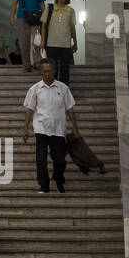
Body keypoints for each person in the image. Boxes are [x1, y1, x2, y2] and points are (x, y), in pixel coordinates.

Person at [23, 58, 80, 193]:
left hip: (58, 129)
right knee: (41, 159)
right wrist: (25, 129)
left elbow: (70, 109)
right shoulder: (35, 89)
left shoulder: (63, 88)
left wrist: (76, 129)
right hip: (41, 128)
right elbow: (29, 110)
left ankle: (58, 178)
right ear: (40, 72)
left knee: (60, 159)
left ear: (54, 71)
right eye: (44, 71)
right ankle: (44, 185)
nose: (46, 73)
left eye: (49, 71)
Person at [10, 0, 47, 73]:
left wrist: (46, 19)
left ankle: (37, 62)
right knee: (24, 41)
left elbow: (42, 5)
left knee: (36, 40)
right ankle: (26, 65)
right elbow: (14, 3)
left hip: (36, 17)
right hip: (22, 17)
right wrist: (12, 16)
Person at [41, 0, 78, 85]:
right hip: (51, 44)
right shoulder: (49, 8)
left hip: (65, 45)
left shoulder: (70, 10)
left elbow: (72, 27)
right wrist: (42, 41)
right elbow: (43, 26)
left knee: (65, 69)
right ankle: (52, 89)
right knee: (52, 69)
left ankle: (64, 91)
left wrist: (75, 41)